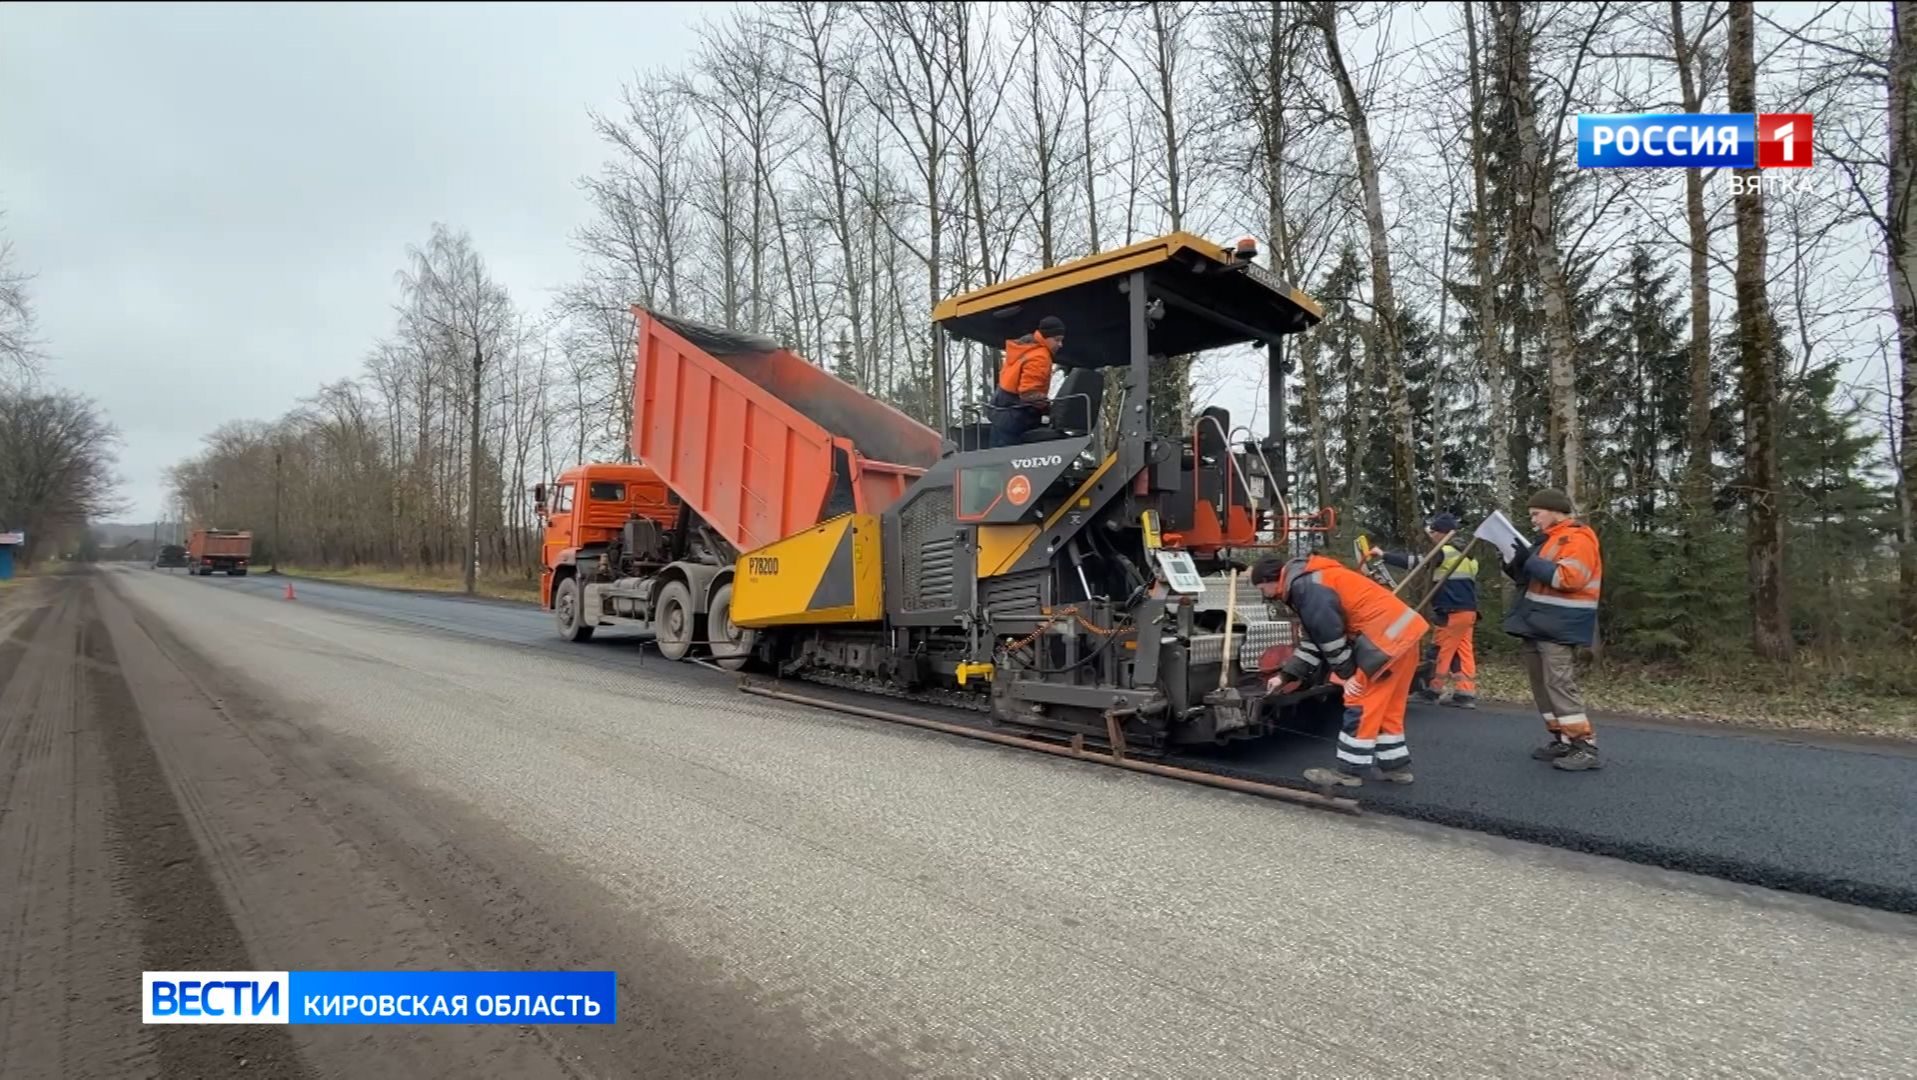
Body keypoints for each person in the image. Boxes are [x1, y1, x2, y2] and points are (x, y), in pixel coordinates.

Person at [1251, 553, 1430, 788]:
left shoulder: (1306, 588)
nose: (1263, 594)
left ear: (1271, 580)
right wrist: (1284, 676)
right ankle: (1396, 768)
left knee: (1359, 700)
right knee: (1387, 706)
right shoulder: (1315, 578)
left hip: (1384, 640)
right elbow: (1313, 642)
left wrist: (1346, 677)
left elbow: (1331, 641)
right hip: (1404, 635)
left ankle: (1349, 772)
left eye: (1261, 588)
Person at [1502, 487, 1604, 771]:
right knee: (1541, 684)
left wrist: (1530, 559)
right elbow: (1529, 577)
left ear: (1554, 511)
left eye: (1536, 514)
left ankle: (1585, 745)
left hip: (1559, 623)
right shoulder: (1549, 539)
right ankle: (1562, 738)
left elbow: (1568, 578)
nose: (1533, 520)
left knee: (1559, 683)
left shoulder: (1578, 538)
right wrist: (1514, 561)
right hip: (1537, 622)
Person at [1367, 513, 1479, 708]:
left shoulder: (1444, 551)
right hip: (1468, 611)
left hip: (1450, 611)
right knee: (1462, 651)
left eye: (1433, 532)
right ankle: (1465, 692)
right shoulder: (1468, 556)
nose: (1431, 536)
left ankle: (1433, 690)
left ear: (1442, 533)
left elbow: (1416, 562)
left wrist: (1384, 555)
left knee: (1441, 650)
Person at [989, 316, 1065, 448]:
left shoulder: (1025, 349)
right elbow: (1029, 394)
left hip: (1002, 412)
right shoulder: (1040, 357)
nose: (1060, 344)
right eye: (1057, 340)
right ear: (1045, 337)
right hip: (1016, 418)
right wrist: (1050, 408)